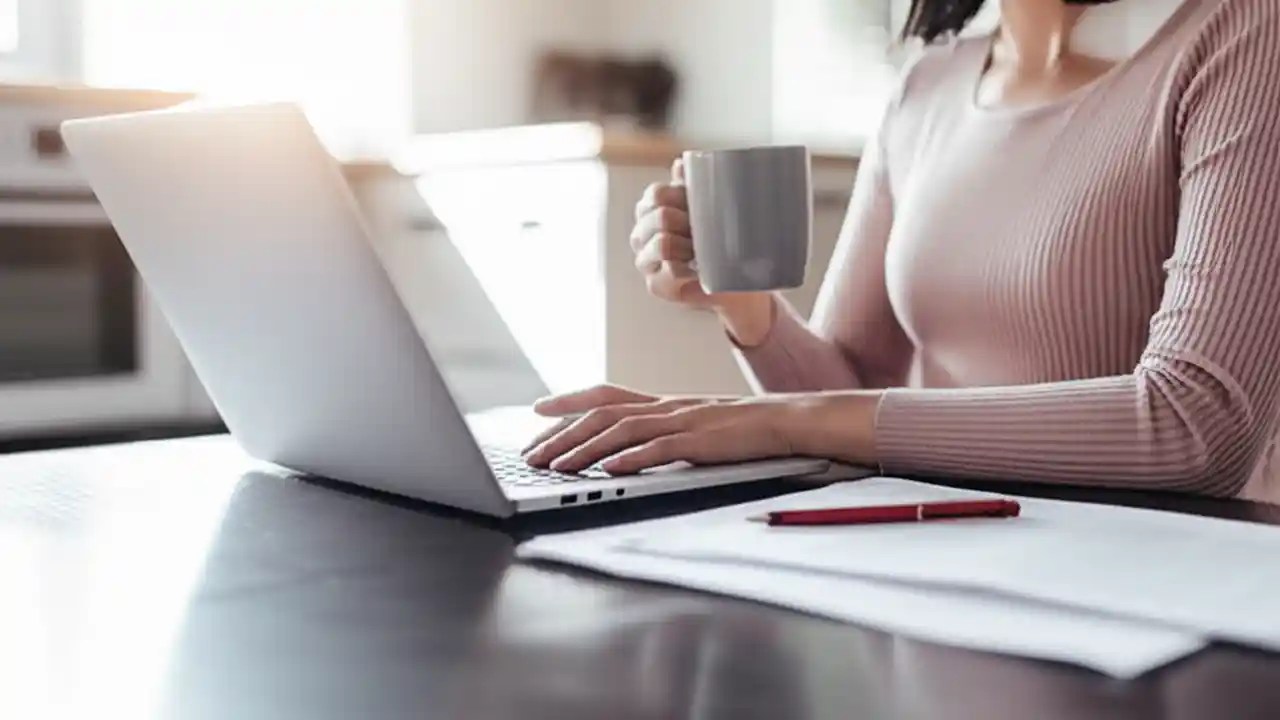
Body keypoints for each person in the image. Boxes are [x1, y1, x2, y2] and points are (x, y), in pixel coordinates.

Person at [522, 0, 1280, 502]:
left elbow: (1199, 427)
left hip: (1150, 592)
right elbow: (852, 385)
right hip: (940, 563)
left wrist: (778, 422)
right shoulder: (929, 84)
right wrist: (749, 312)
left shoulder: (1244, 33)